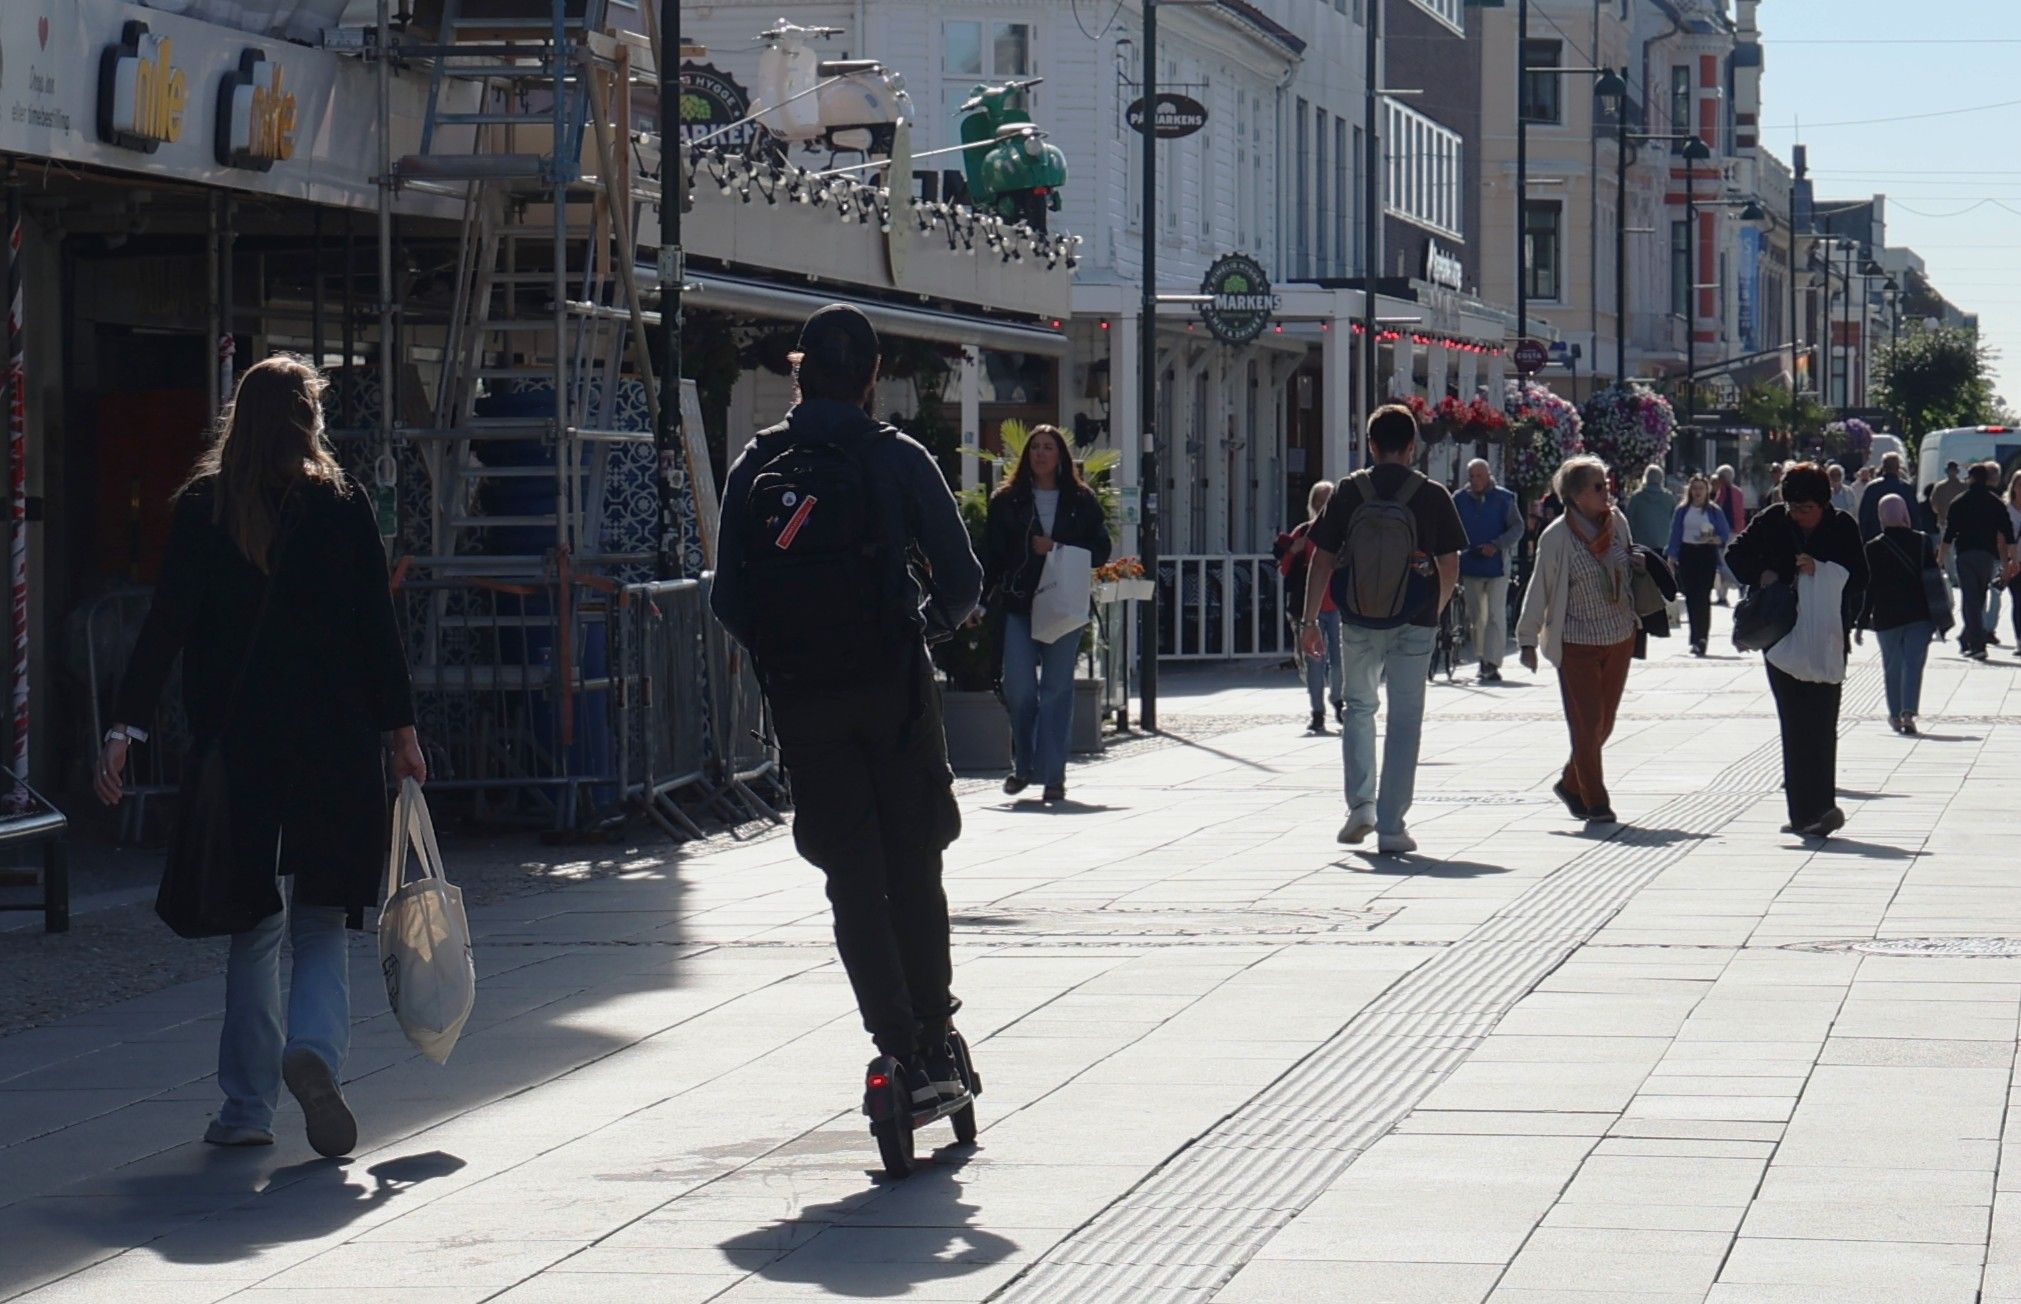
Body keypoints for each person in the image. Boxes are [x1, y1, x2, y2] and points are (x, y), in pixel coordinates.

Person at [94, 355, 424, 1157]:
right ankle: (313, 1049)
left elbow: (165, 624)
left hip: (239, 746)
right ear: (310, 420)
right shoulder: (341, 508)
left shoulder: (206, 507)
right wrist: (402, 733)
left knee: (254, 926)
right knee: (319, 920)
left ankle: (246, 1108)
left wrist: (123, 729)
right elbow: (376, 632)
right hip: (334, 742)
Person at [712, 304, 983, 1110]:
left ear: (799, 372)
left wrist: (789, 650)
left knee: (851, 878)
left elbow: (729, 597)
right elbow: (963, 581)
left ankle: (890, 1047)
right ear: (872, 377)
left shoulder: (756, 463)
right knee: (915, 863)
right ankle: (935, 1037)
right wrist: (918, 630)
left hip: (805, 704)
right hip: (892, 691)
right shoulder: (895, 458)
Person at [1299, 403, 1467, 855]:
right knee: (1405, 718)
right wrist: (1436, 607)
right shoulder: (1432, 495)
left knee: (1358, 707)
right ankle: (1392, 825)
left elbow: (1322, 559)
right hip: (1415, 619)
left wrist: (1310, 620)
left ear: (1371, 444)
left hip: (1356, 616)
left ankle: (1360, 806)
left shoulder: (1350, 491)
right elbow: (1450, 563)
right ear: (1412, 446)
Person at [1724, 462, 1868, 839]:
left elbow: (1862, 577)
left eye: (1806, 509)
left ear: (1824, 503)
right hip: (1782, 638)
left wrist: (1821, 570)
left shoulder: (1842, 527)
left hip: (1828, 637)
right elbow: (1735, 555)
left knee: (1823, 723)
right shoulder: (1773, 520)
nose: (1799, 515)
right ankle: (1804, 812)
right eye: (1793, 508)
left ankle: (1823, 806)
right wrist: (1765, 574)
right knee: (1795, 722)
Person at [981, 424, 1113, 798]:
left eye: (1048, 447)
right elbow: (990, 553)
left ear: (1060, 457)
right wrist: (979, 597)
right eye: (1035, 447)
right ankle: (1023, 765)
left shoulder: (1080, 500)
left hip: (1063, 606)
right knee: (1020, 689)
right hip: (1019, 602)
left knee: (1057, 690)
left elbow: (1100, 549)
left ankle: (1053, 776)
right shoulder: (1007, 500)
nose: (1040, 453)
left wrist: (1057, 546)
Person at [1516, 457, 1642, 826]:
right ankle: (1596, 801)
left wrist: (1637, 563)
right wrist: (1527, 639)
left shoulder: (1616, 522)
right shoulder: (1556, 537)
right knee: (1586, 723)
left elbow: (1628, 560)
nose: (1608, 493)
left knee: (1605, 724)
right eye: (1598, 487)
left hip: (1619, 635)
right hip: (1577, 643)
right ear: (1574, 495)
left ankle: (1572, 784)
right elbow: (1539, 588)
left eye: (1607, 484)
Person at [1860, 494, 1938, 735]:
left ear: (1881, 516)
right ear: (1904, 513)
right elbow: (1934, 581)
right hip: (1920, 615)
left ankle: (1894, 715)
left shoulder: (1873, 547)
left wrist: (1862, 620)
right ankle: (1908, 712)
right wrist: (1941, 617)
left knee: (1892, 666)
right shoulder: (1923, 541)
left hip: (1887, 617)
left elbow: (1869, 588)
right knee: (1913, 664)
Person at [1280, 481, 1343, 732]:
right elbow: (1285, 569)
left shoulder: (1343, 532)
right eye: (1320, 502)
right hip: (1310, 609)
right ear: (1313, 505)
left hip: (1338, 605)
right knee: (1314, 662)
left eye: (1329, 501)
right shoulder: (1303, 533)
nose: (1324, 506)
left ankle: (1338, 700)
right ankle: (1317, 711)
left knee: (1340, 661)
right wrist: (1293, 551)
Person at [1455, 457, 1524, 683]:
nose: (1475, 480)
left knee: (1495, 614)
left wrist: (1497, 544)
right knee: (1477, 617)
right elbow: (1452, 527)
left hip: (1497, 566)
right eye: (1471, 476)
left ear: (1488, 475)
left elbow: (1517, 527)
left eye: (1479, 476)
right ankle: (1482, 658)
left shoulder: (1504, 498)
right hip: (1471, 564)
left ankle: (1492, 662)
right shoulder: (1460, 500)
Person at [1940, 460, 2016, 661]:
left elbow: (1949, 533)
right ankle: (1973, 639)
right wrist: (2008, 559)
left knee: (1970, 600)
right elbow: (2007, 532)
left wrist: (1940, 557)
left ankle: (1975, 642)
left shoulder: (1959, 501)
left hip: (1965, 555)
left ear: (1972, 478)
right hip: (1986, 557)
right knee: (1979, 598)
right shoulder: (1996, 502)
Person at [1665, 474, 1733, 656]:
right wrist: (1671, 557)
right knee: (1690, 597)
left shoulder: (1713, 511)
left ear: (1707, 490)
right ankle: (1694, 638)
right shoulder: (1682, 510)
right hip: (1688, 554)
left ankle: (1702, 638)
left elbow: (1724, 533)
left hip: (1706, 554)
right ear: (1690, 490)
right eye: (1694, 488)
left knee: (1703, 597)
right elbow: (1675, 533)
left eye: (1701, 488)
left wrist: (1715, 539)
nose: (1698, 492)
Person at [1712, 465, 1747, 606]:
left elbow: (1718, 509)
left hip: (1727, 532)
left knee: (1722, 564)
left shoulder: (1724, 492)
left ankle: (1740, 583)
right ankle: (1722, 595)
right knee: (1724, 563)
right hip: (1737, 530)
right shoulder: (1738, 492)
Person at [1857, 451, 1913, 541]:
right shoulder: (1906, 488)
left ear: (1883, 467)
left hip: (1875, 540)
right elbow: (1914, 515)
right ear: (1898, 467)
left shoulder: (1871, 488)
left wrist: (1863, 539)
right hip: (1903, 541)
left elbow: (1863, 516)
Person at [1626, 465, 1675, 550]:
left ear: (1646, 478)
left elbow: (1628, 520)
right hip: (1663, 544)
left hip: (1641, 545)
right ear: (1661, 479)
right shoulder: (1669, 498)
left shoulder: (1637, 497)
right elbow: (1674, 521)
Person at [1931, 461, 1966, 533]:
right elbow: (1934, 504)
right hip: (1956, 521)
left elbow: (1934, 505)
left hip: (1948, 521)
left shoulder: (1940, 486)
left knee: (1946, 541)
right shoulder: (1964, 486)